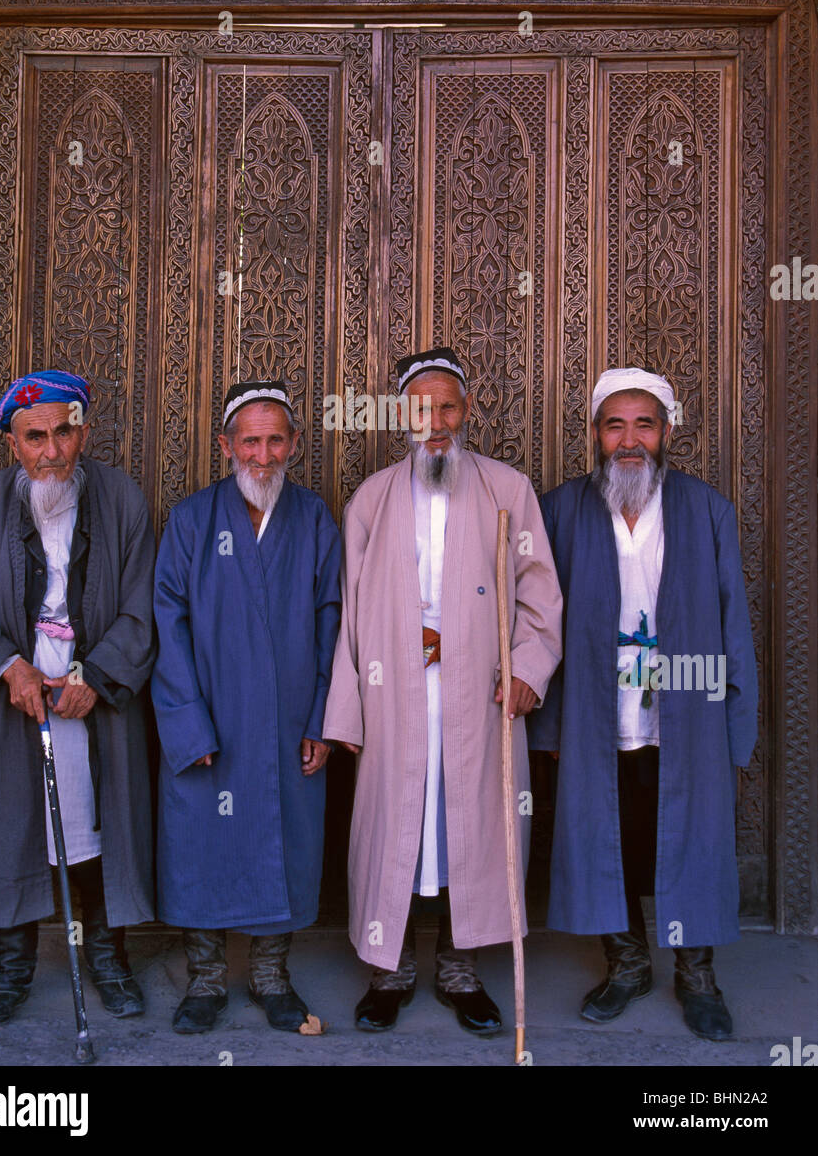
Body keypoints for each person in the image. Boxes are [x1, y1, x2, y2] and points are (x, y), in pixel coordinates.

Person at [323, 348, 563, 1035]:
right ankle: (389, 969)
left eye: (448, 408)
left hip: (479, 698)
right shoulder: (370, 499)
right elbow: (351, 610)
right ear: (404, 415)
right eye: (422, 409)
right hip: (393, 698)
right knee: (394, 830)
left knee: (474, 832)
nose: (436, 423)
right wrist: (346, 707)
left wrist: (527, 670)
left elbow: (539, 594)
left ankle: (461, 969)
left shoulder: (506, 491)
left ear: (465, 412)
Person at [528, 366, 759, 1041]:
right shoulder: (561, 511)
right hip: (595, 715)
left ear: (665, 433)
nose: (629, 440)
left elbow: (732, 622)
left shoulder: (705, 510)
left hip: (683, 715)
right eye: (614, 425)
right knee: (612, 841)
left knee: (689, 838)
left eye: (644, 424)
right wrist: (548, 723)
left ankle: (696, 976)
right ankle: (626, 965)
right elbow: (539, 622)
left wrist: (731, 725)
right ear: (596, 435)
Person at [0, 369, 157, 1027]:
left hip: (94, 702)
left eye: (64, 432)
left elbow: (143, 607)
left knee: (93, 832)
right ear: (13, 443)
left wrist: (98, 675)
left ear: (83, 431)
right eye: (36, 437)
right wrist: (10, 668)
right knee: (11, 833)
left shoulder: (120, 499)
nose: (52, 451)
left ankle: (108, 963)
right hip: (14, 707)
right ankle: (10, 974)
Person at [151, 379, 341, 1034]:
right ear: (227, 445)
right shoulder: (191, 520)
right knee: (203, 844)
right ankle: (204, 979)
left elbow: (331, 621)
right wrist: (188, 723)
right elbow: (166, 623)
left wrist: (322, 718)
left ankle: (270, 976)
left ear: (292, 444)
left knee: (281, 842)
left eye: (275, 440)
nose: (263, 455)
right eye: (250, 441)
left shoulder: (313, 518)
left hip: (288, 726)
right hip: (211, 724)